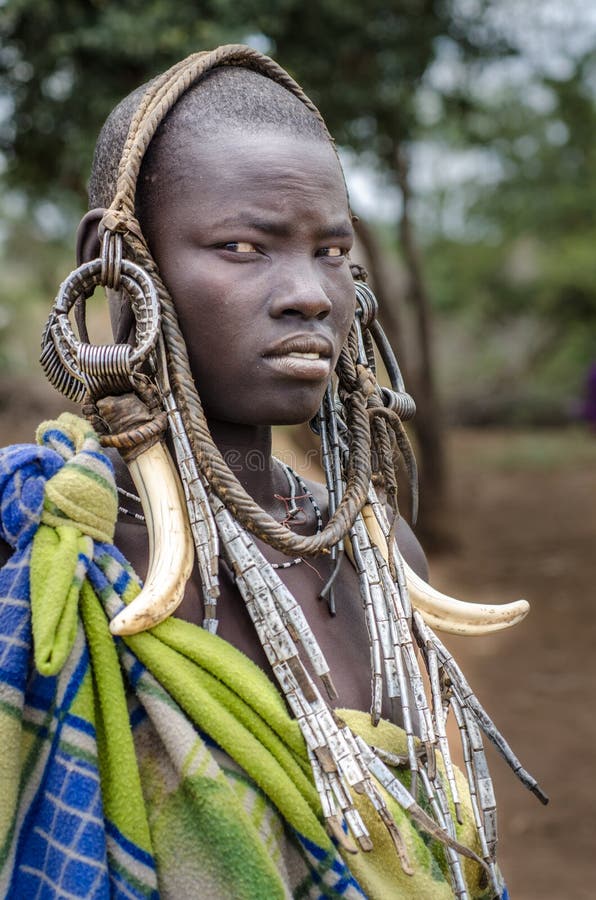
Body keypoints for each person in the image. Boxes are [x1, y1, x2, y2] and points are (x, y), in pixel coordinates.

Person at [0, 45, 545, 899]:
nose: (311, 294)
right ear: (112, 260)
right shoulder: (49, 568)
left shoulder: (380, 558)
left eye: (332, 251)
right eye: (244, 245)